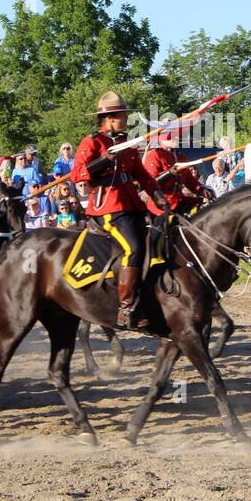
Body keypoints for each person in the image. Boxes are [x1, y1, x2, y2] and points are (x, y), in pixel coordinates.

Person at [70, 92, 167, 328]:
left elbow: (141, 174)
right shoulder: (92, 141)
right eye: (124, 115)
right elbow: (78, 173)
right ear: (110, 118)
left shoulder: (127, 141)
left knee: (160, 237)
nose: (127, 118)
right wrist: (104, 159)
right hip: (108, 207)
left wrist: (156, 194)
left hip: (131, 202)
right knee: (133, 248)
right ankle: (127, 307)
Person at [143, 129, 208, 217]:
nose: (176, 137)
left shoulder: (180, 157)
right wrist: (169, 173)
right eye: (171, 135)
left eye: (176, 134)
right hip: (161, 205)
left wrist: (202, 189)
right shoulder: (154, 155)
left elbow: (189, 180)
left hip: (179, 202)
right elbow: (150, 183)